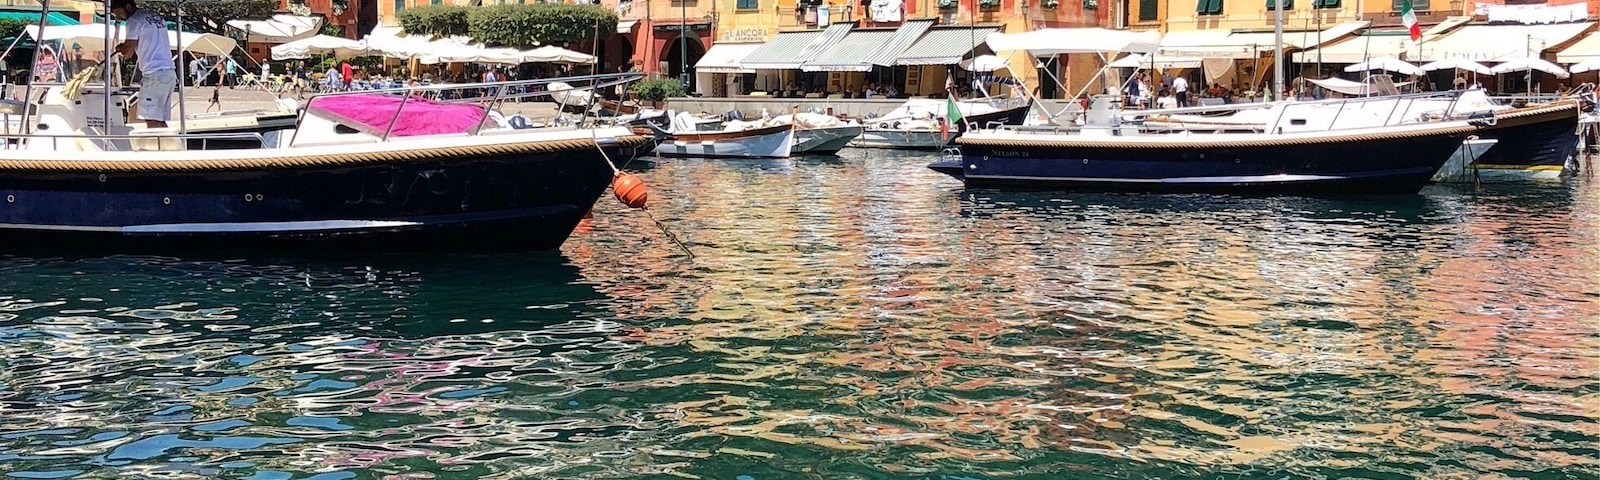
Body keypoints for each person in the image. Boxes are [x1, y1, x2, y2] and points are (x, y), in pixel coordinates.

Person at [111, 0, 175, 128]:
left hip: (154, 73)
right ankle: (168, 147)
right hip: (168, 72)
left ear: (128, 7)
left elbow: (128, 52)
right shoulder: (155, 16)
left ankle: (158, 147)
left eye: (118, 13)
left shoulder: (133, 21)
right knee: (160, 119)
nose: (118, 17)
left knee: (150, 118)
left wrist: (120, 48)